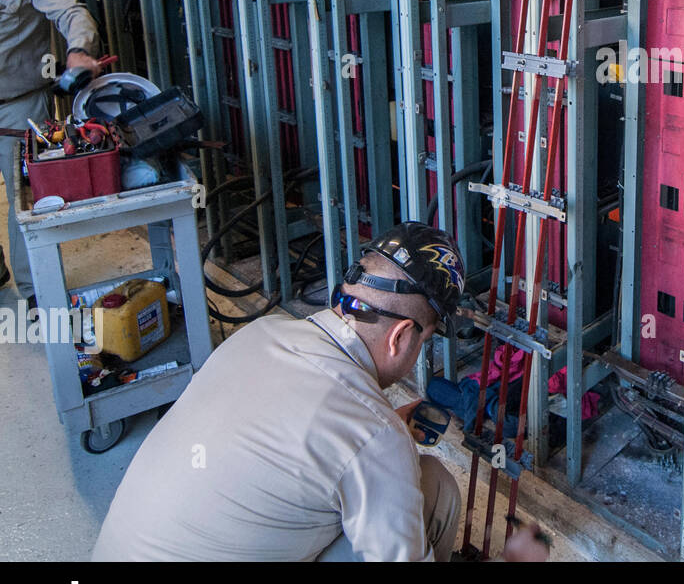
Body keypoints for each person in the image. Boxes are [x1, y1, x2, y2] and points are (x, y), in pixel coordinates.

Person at [93, 221, 547, 561]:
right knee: (436, 489)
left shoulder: (261, 332)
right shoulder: (373, 436)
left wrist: (379, 445)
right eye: (424, 342)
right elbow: (353, 440)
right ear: (400, 337)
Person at [0, 0, 102, 297]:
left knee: (26, 201)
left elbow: (73, 14)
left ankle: (35, 291)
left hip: (19, 105)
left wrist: (78, 51)